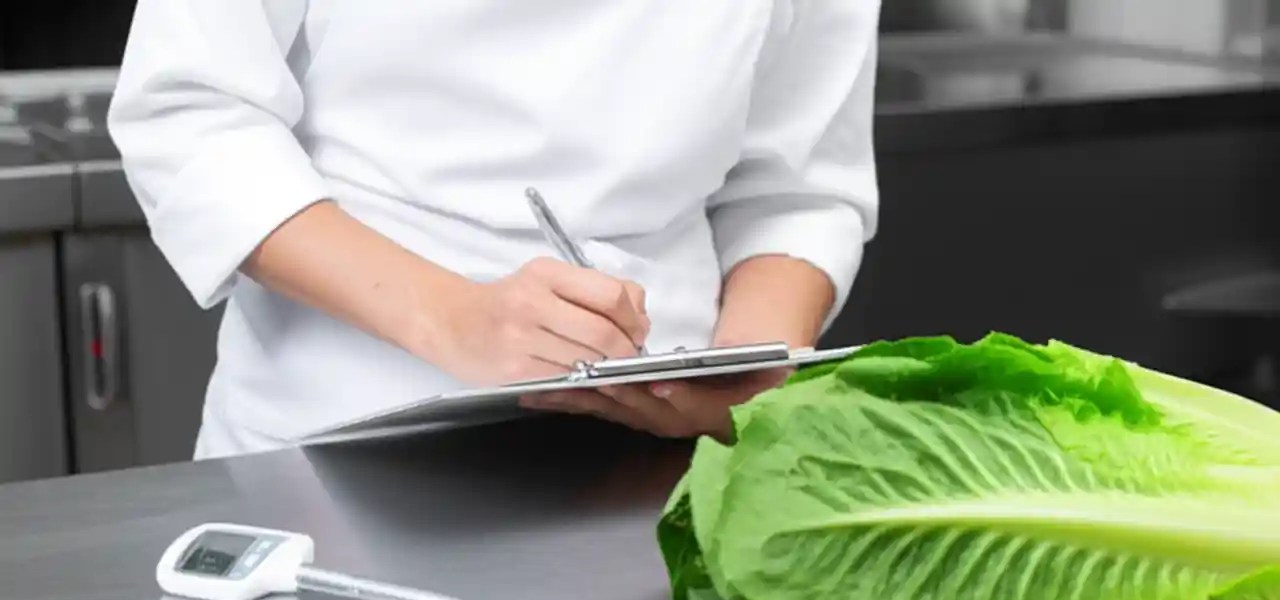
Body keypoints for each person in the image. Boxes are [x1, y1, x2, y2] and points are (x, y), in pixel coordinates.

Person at [108, 1, 882, 459]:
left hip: (663, 469)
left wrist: (747, 380)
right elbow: (190, 111)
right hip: (335, 451)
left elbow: (795, 183)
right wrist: (453, 316)